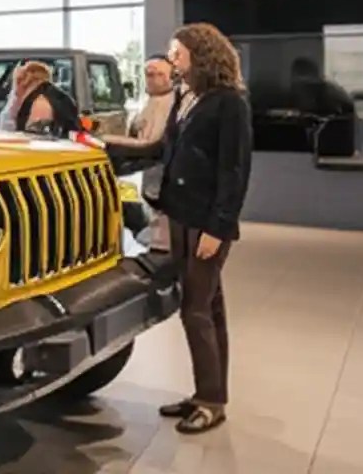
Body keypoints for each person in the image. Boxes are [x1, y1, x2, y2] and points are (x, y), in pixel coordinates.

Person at [107, 22, 252, 435]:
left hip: (206, 223)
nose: (172, 59)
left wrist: (218, 229)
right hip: (182, 215)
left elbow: (234, 172)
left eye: (178, 52)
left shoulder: (229, 103)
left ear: (200, 54)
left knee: (196, 310)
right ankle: (209, 393)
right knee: (210, 306)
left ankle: (210, 401)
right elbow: (160, 150)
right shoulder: (187, 98)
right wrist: (107, 149)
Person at [103, 54, 178, 251]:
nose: (153, 78)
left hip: (163, 176)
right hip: (148, 176)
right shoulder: (151, 101)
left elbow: (151, 143)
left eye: (159, 74)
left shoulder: (173, 104)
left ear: (172, 76)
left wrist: (107, 141)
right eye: (149, 74)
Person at [10, 60, 80, 136]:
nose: (15, 91)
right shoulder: (56, 95)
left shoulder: (39, 103)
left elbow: (34, 138)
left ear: (21, 83)